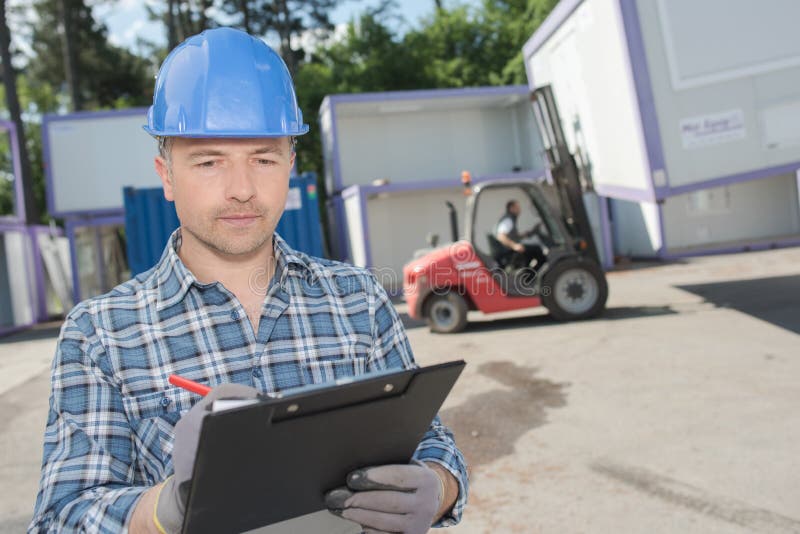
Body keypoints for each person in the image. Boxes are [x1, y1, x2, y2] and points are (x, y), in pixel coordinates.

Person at [29, 28, 467, 534]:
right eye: (209, 162)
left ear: (290, 166)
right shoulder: (100, 334)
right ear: (167, 175)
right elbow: (60, 517)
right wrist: (165, 508)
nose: (241, 189)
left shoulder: (358, 300)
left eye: (262, 159)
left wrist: (438, 486)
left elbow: (428, 439)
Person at [495, 200, 547, 270]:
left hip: (510, 249)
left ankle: (527, 275)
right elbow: (501, 236)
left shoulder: (510, 219)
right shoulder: (508, 220)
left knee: (530, 253)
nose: (520, 210)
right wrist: (514, 246)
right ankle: (528, 278)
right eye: (517, 207)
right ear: (511, 208)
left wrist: (529, 233)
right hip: (508, 251)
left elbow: (513, 236)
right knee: (538, 251)